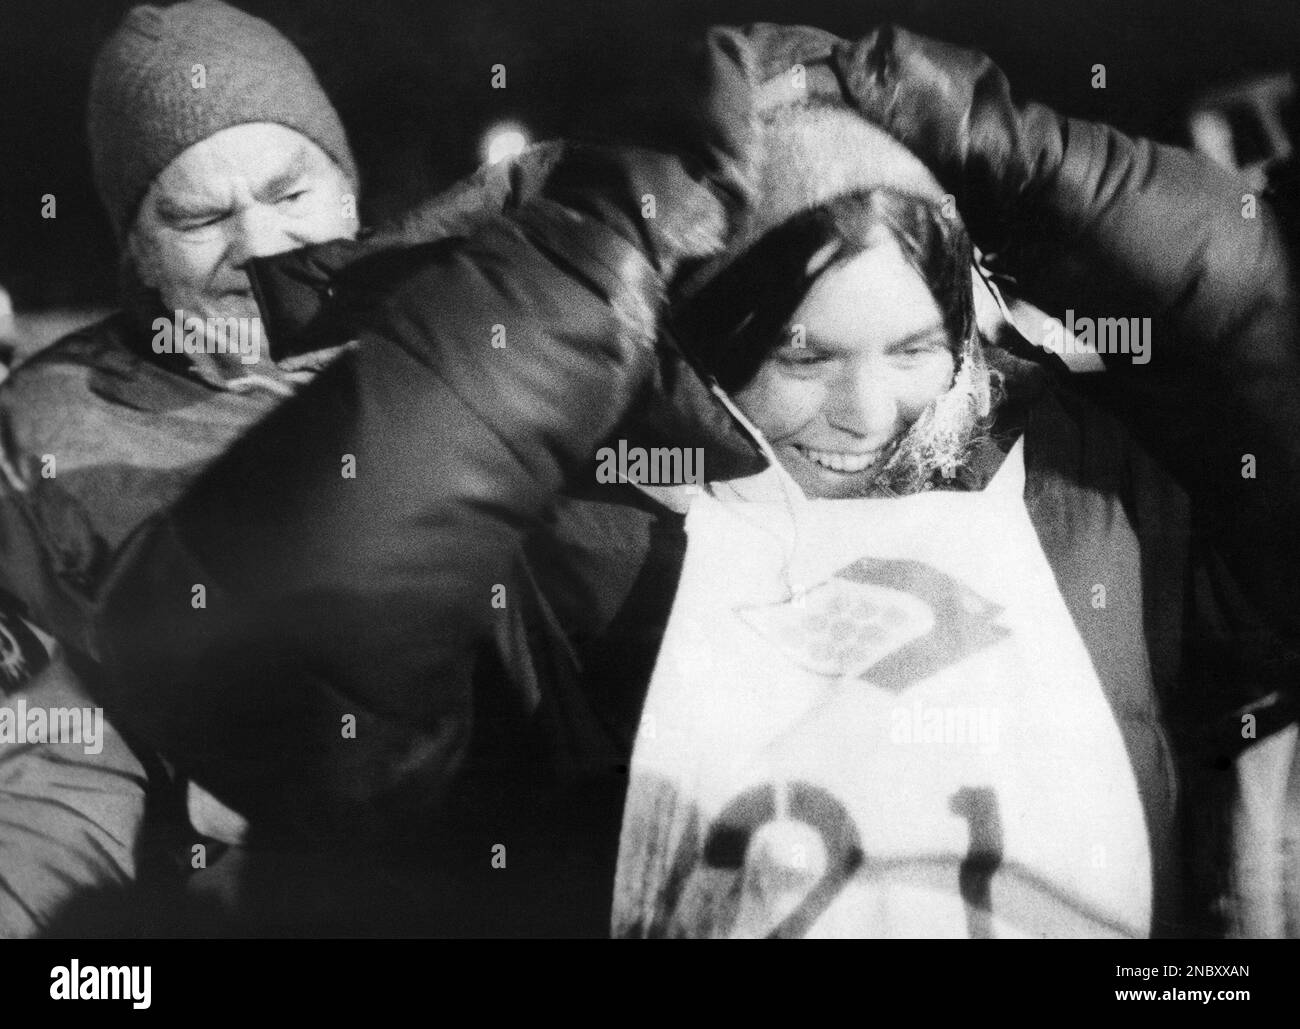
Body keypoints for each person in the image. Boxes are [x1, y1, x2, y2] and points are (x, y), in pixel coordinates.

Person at [92, 24, 1300, 938]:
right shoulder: (573, 542)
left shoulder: (1094, 498)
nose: (867, 411)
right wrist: (575, 272)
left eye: (914, 347)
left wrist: (1043, 166)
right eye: (803, 356)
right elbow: (269, 678)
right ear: (704, 339)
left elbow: (1259, 337)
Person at [0, 0, 362, 937]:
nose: (260, 249)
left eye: (289, 195)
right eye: (200, 216)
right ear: (138, 250)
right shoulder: (48, 438)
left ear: (351, 191)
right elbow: (55, 768)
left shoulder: (472, 350)